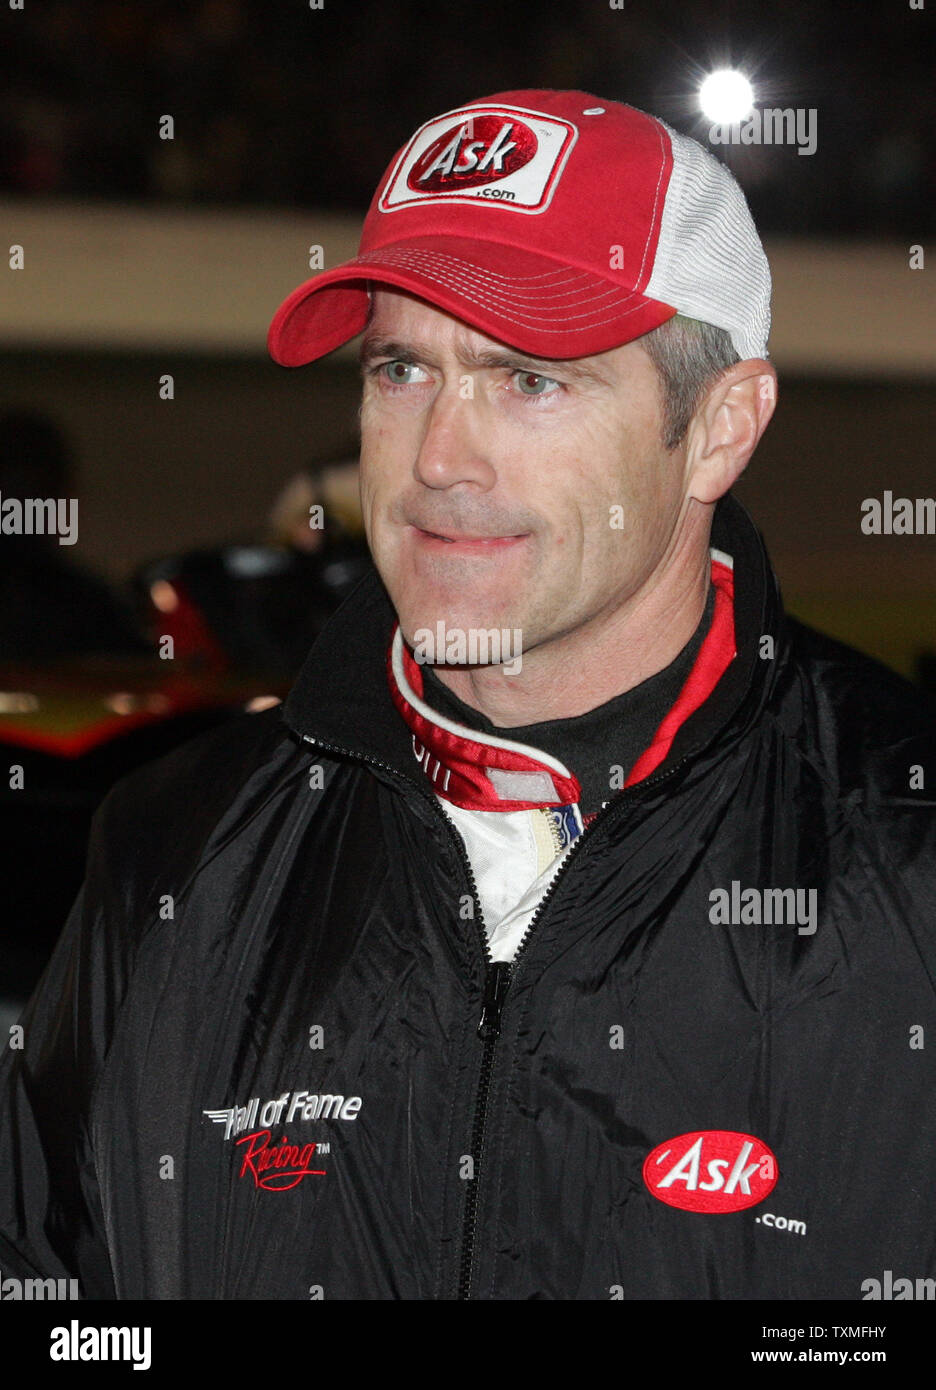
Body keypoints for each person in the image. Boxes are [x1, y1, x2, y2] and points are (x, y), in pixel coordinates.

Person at [1, 88, 934, 1301]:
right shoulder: (175, 849)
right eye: (401, 369)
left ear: (717, 428)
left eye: (530, 379)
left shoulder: (906, 860)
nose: (439, 455)